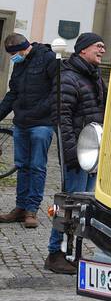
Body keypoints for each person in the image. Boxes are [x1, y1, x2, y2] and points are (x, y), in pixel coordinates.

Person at [47, 32, 107, 275]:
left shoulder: (93, 77)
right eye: (98, 46)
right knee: (68, 204)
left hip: (92, 153)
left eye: (103, 46)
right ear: (83, 49)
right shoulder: (69, 78)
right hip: (78, 155)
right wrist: (73, 154)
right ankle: (55, 253)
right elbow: (62, 120)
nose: (102, 50)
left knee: (83, 206)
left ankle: (73, 252)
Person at [0, 33, 58, 231]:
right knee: (22, 165)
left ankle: (32, 210)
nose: (13, 58)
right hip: (21, 123)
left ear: (24, 48)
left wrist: (40, 111)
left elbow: (56, 91)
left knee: (37, 166)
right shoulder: (20, 63)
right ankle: (20, 207)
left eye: (14, 54)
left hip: (41, 123)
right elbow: (13, 93)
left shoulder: (48, 58)